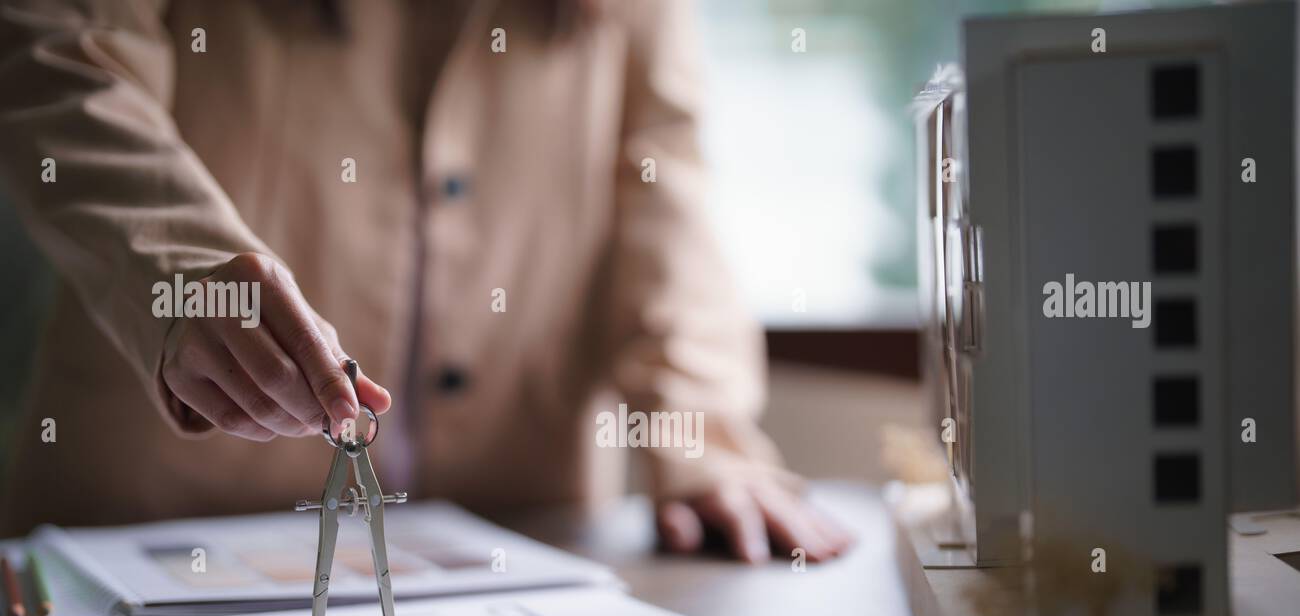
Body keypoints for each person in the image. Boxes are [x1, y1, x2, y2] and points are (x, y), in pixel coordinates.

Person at [0, 0, 850, 562]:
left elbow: (663, 185)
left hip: (514, 537)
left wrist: (699, 435)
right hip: (154, 528)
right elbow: (62, 62)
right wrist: (184, 268)